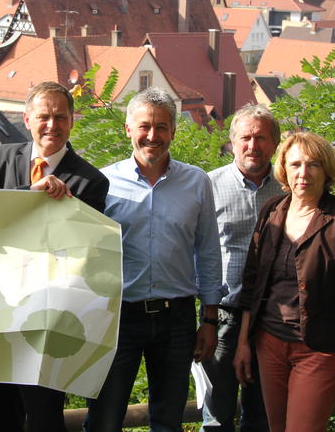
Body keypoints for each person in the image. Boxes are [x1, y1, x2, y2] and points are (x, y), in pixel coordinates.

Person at [0, 81, 109, 432]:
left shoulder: (90, 182)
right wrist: (29, 195)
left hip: (49, 322)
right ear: (27, 119)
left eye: (60, 117)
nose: (52, 125)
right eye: (43, 116)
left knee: (44, 419)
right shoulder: (1, 158)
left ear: (73, 121)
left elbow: (80, 256)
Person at [85, 87, 222, 432]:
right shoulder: (103, 183)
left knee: (168, 422)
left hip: (176, 318)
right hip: (117, 318)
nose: (152, 135)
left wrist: (209, 318)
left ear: (174, 131)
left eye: (162, 127)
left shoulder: (196, 182)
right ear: (128, 129)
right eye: (144, 126)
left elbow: (207, 250)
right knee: (103, 419)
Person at [233, 131, 335, 432]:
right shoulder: (272, 211)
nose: (303, 173)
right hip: (268, 342)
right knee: (277, 427)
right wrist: (244, 343)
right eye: (295, 164)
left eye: (313, 165)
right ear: (283, 168)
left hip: (319, 348)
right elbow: (253, 282)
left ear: (326, 170)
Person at [195, 105, 282, 431]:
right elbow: (195, 249)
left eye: (261, 138)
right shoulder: (208, 186)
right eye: (245, 137)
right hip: (222, 316)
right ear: (232, 142)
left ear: (274, 144)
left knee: (263, 414)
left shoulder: (288, 188)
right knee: (217, 414)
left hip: (275, 317)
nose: (252, 145)